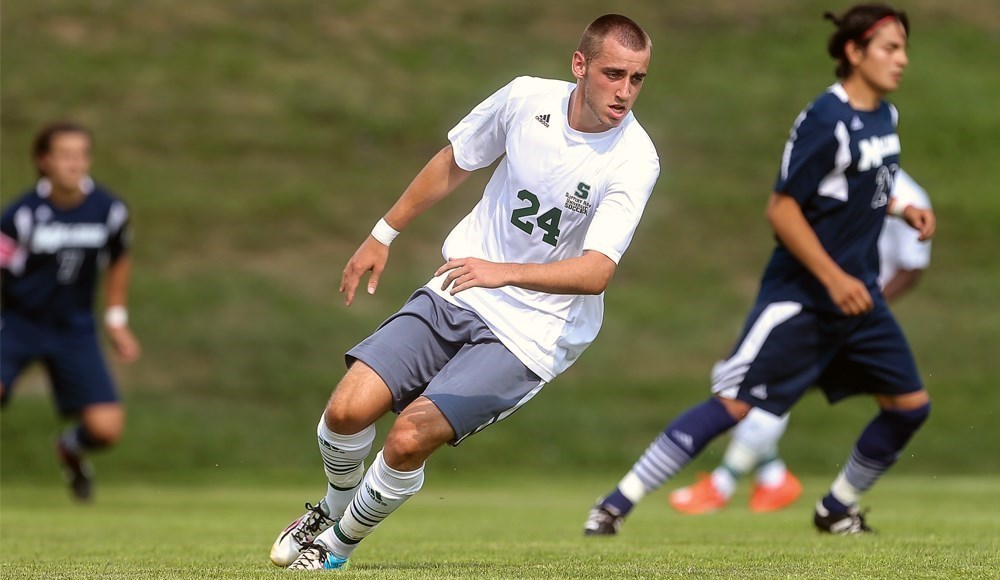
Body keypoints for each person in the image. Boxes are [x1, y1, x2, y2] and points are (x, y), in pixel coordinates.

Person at [269, 14, 660, 570]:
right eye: (613, 74)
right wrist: (382, 234)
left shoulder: (635, 158)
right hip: (459, 290)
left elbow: (596, 272)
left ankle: (336, 547)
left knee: (407, 438)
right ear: (580, 66)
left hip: (534, 332)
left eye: (637, 79)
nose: (624, 92)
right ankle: (329, 508)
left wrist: (503, 272)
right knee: (346, 411)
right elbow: (455, 161)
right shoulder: (526, 99)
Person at [584, 3, 935, 536]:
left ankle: (837, 508)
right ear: (853, 52)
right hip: (805, 298)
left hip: (859, 300)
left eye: (903, 48)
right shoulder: (826, 118)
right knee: (733, 404)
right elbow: (784, 208)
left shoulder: (885, 116)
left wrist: (901, 208)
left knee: (909, 407)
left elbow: (855, 190)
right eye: (890, 48)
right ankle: (613, 505)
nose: (902, 59)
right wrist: (834, 278)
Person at [668, 168, 934, 515]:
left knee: (758, 393)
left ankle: (725, 484)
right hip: (807, 302)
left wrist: (868, 306)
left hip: (851, 319)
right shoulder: (837, 179)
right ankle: (773, 478)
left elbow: (913, 266)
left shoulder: (909, 196)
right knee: (734, 377)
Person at [1, 121, 141, 501]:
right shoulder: (22, 215)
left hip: (73, 328)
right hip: (18, 323)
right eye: (65, 155)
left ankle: (70, 449)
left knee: (106, 429)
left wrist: (116, 320)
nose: (74, 163)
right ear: (44, 160)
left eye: (81, 155)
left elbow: (119, 258)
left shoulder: (108, 210)